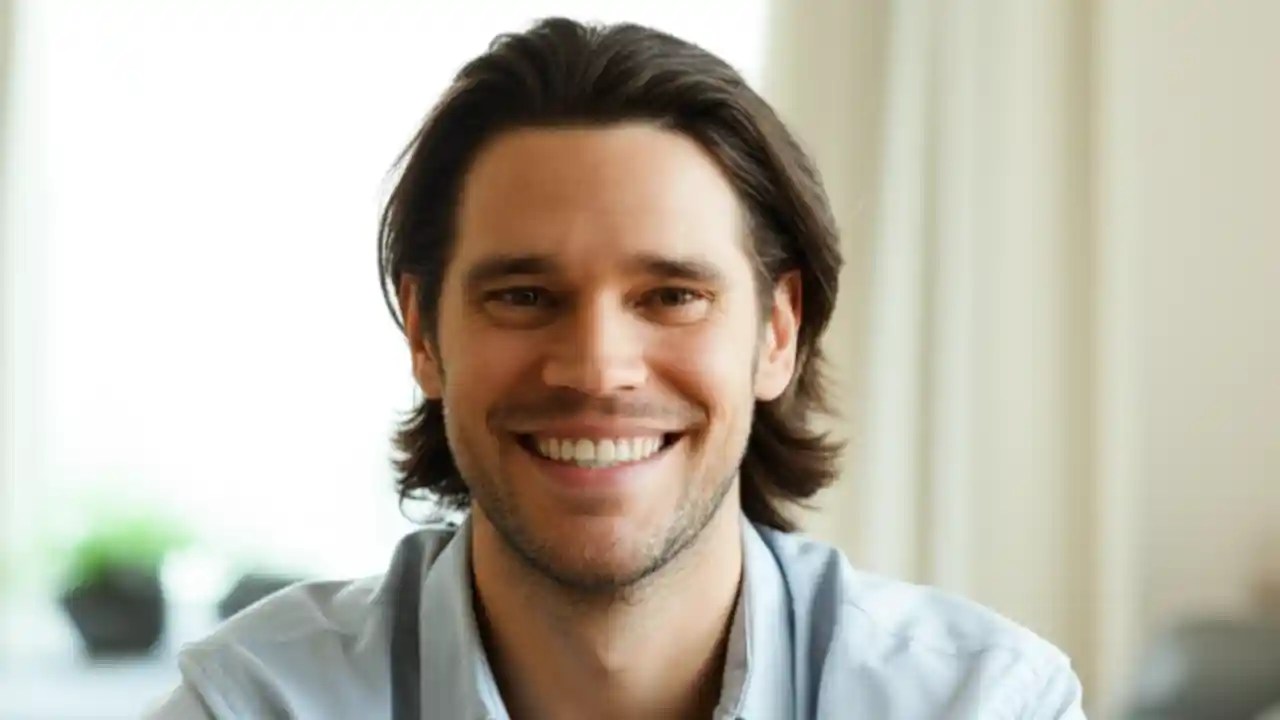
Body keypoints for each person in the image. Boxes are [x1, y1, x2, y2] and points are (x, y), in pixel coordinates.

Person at [146, 17, 1085, 719]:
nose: (597, 369)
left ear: (777, 334)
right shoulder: (254, 705)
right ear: (424, 335)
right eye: (523, 295)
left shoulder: (981, 702)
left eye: (672, 295)